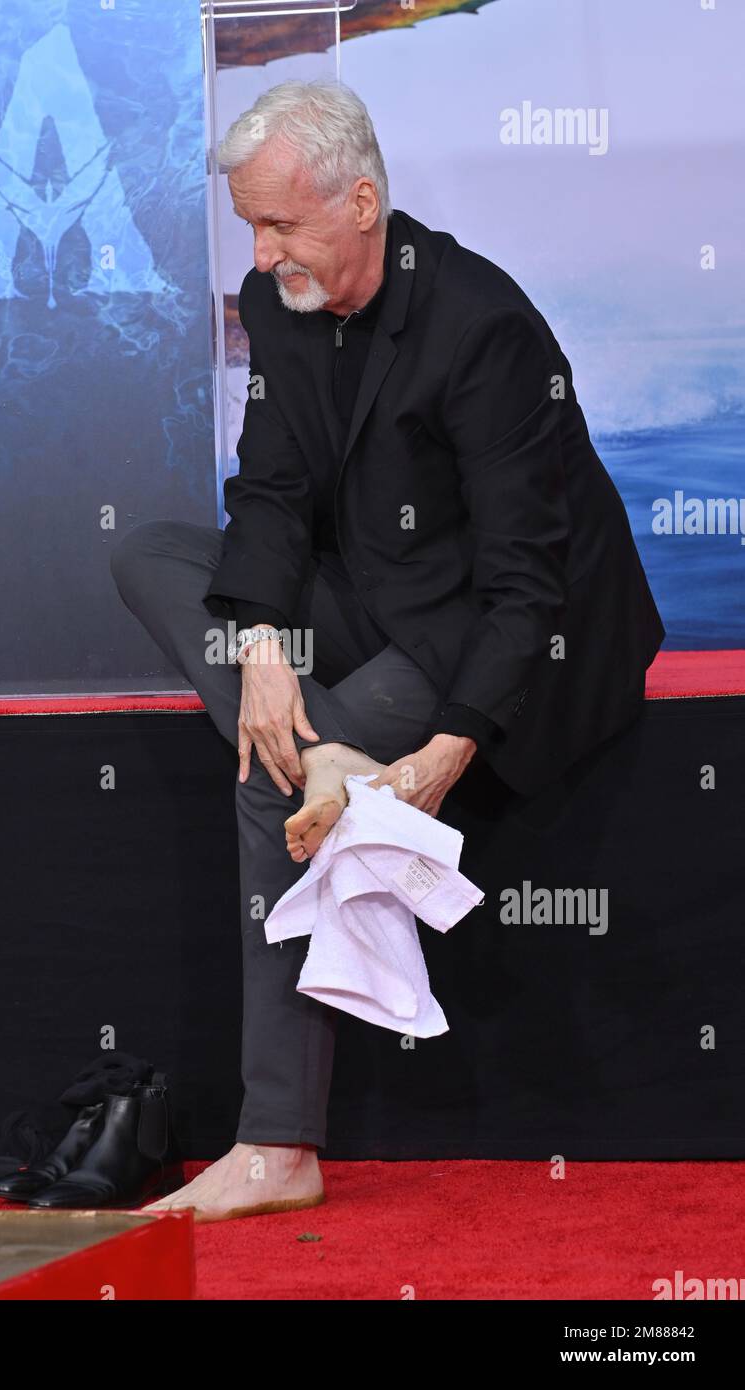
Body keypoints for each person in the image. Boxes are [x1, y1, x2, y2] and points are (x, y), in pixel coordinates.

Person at [110, 79, 664, 1222]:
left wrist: (443, 754)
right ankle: (328, 749)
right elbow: (271, 490)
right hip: (374, 582)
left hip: (500, 623)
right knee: (151, 554)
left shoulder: (483, 324)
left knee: (266, 780)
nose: (261, 254)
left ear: (362, 202)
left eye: (280, 224)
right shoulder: (278, 300)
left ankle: (279, 1146)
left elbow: (527, 582)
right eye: (250, 227)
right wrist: (265, 649)